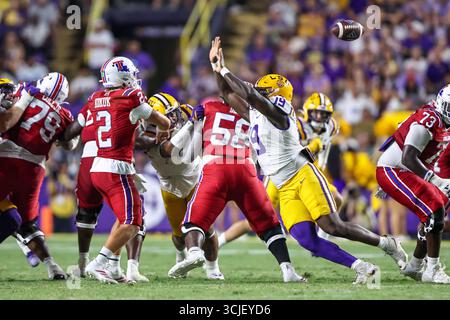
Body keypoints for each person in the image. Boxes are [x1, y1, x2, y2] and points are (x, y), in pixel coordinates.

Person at [210, 36, 407, 284]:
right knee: (307, 240)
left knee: (333, 226)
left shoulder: (281, 112)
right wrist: (217, 68)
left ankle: (387, 244)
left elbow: (250, 93)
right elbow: (228, 94)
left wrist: (227, 70)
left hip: (302, 175)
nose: (259, 94)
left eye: (264, 92)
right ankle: (362, 267)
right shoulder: (257, 113)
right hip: (282, 184)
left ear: (276, 95)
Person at [167, 47, 306, 283]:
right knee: (269, 225)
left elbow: (187, 153)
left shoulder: (210, 107)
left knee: (194, 221)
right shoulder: (255, 113)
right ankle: (287, 269)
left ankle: (193, 253)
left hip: (216, 166)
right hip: (246, 169)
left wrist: (216, 68)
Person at [80, 56, 170, 284]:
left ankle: (113, 267)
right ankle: (98, 264)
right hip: (115, 168)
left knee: (123, 218)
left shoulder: (96, 97)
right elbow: (164, 122)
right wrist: (162, 131)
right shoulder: (130, 97)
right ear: (124, 76)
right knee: (133, 222)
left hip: (98, 167)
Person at [219, 92, 341, 247]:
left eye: (323, 114)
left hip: (304, 172)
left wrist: (320, 162)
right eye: (316, 113)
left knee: (337, 197)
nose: (319, 117)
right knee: (256, 219)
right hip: (280, 173)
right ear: (307, 112)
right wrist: (314, 146)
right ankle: (218, 242)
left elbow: (324, 147)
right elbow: (295, 151)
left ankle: (322, 236)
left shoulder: (331, 126)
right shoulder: (297, 126)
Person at [62, 87, 150, 283]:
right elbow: (135, 138)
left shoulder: (93, 102)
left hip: (88, 161)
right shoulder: (126, 101)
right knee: (131, 215)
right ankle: (122, 265)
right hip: (114, 158)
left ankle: (84, 262)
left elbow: (70, 133)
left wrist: (64, 139)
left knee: (86, 214)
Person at [135, 93, 224, 279]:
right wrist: (191, 124)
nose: (174, 118)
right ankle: (181, 255)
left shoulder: (184, 119)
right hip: (169, 185)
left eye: (174, 114)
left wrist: (197, 125)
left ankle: (213, 267)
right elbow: (169, 151)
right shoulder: (145, 134)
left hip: (195, 180)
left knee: (206, 229)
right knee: (178, 235)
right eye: (168, 115)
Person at [0, 72, 78, 280]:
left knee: (11, 217)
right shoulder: (64, 114)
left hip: (7, 155)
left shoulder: (25, 91)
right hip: (35, 168)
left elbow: (5, 121)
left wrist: (23, 96)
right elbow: (69, 143)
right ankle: (52, 267)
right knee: (27, 224)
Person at [377, 84, 450, 284]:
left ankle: (415, 266)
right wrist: (436, 180)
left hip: (405, 170)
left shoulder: (441, 120)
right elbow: (408, 156)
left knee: (435, 212)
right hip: (395, 169)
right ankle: (431, 270)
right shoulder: (432, 118)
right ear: (442, 104)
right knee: (435, 210)